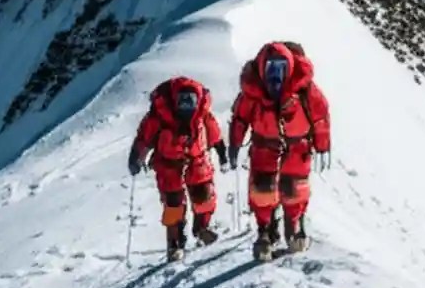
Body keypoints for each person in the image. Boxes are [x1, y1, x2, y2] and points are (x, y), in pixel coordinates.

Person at [227, 41, 331, 260]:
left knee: (295, 189)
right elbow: (240, 119)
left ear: (290, 68)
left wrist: (323, 145)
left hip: (297, 147)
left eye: (281, 68)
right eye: (272, 68)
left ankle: (293, 225)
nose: (276, 75)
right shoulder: (253, 92)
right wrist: (235, 143)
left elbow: (320, 117)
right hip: (265, 147)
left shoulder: (305, 90)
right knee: (262, 191)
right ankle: (265, 231)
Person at [128, 77, 226, 261]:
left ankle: (201, 228)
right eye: (183, 101)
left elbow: (214, 133)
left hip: (197, 161)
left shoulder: (202, 113)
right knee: (173, 205)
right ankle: (174, 243)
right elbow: (144, 136)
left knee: (204, 196)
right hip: (169, 164)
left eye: (190, 100)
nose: (186, 105)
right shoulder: (159, 114)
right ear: (174, 100)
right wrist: (136, 156)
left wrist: (222, 152)